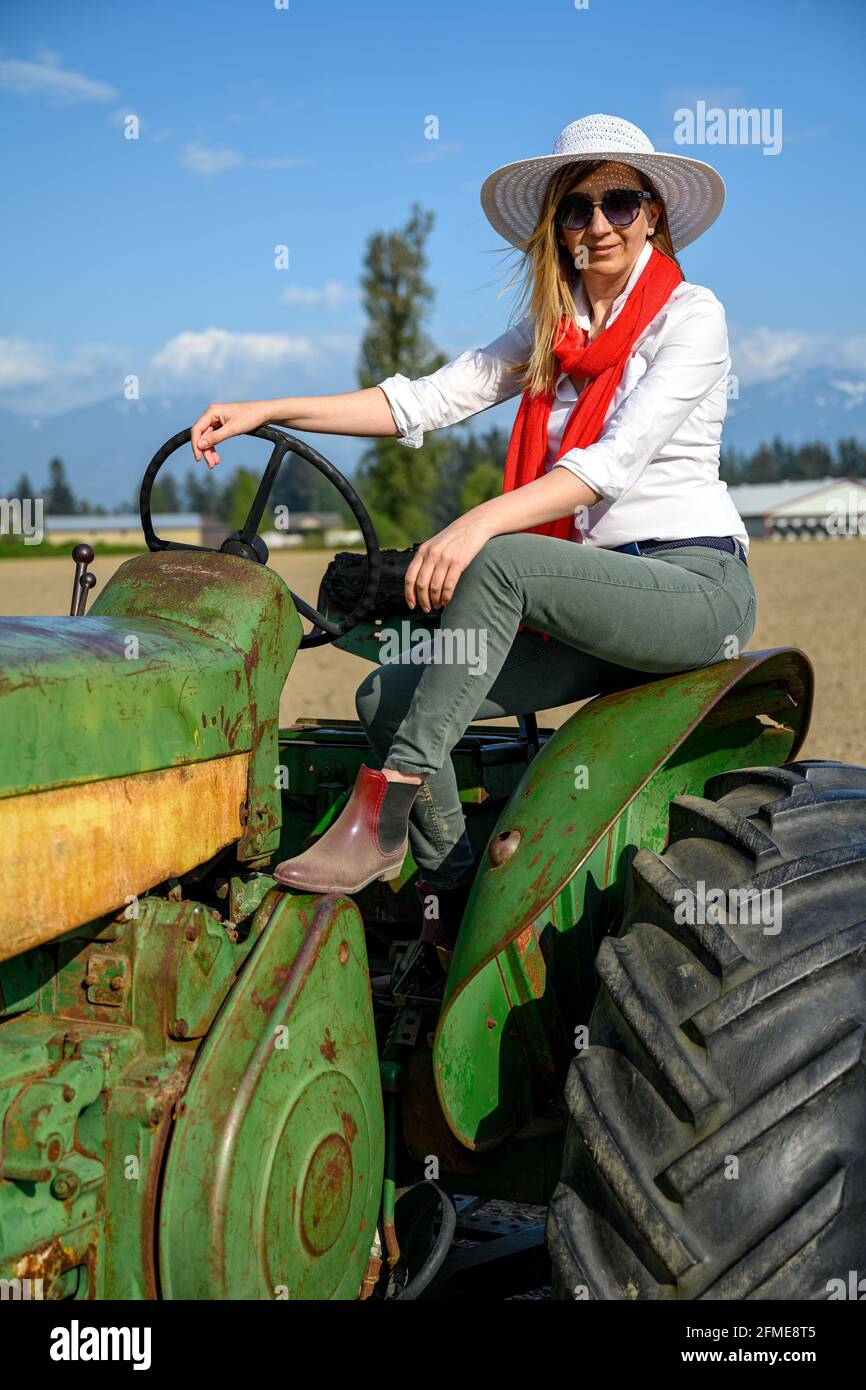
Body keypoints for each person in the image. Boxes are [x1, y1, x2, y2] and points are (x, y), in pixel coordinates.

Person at [190, 114, 756, 994]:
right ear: (555, 227)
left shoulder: (691, 316)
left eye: (619, 201)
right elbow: (420, 402)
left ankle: (380, 819)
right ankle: (457, 909)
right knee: (387, 690)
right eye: (578, 207)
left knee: (499, 561)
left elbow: (606, 468)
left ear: (653, 214)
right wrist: (268, 408)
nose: (598, 224)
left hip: (691, 585)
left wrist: (477, 523)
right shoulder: (549, 337)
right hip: (592, 601)